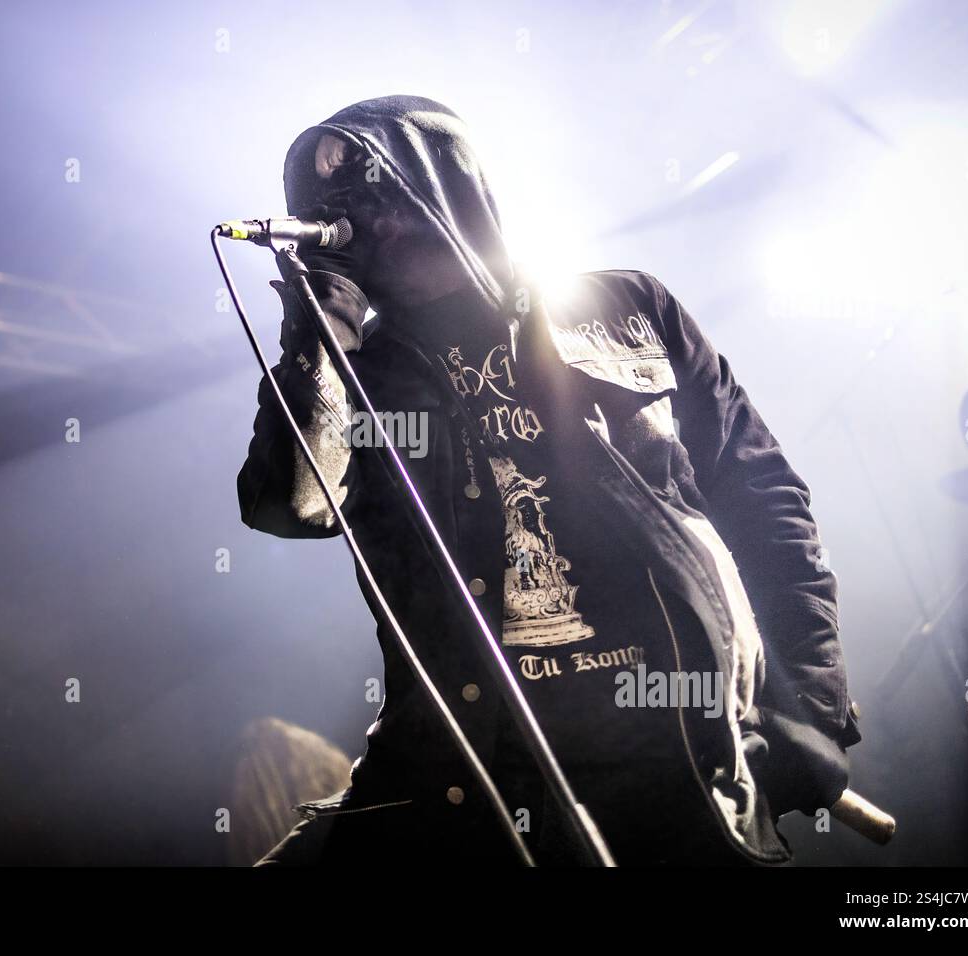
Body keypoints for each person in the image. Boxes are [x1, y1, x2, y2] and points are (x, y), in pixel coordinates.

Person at [237, 95, 862, 866]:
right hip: (462, 782)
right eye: (332, 205)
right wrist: (320, 311)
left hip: (667, 767)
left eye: (374, 186)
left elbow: (765, 501)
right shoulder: (362, 379)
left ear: (446, 178)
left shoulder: (627, 309)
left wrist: (811, 706)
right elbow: (288, 505)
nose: (360, 217)